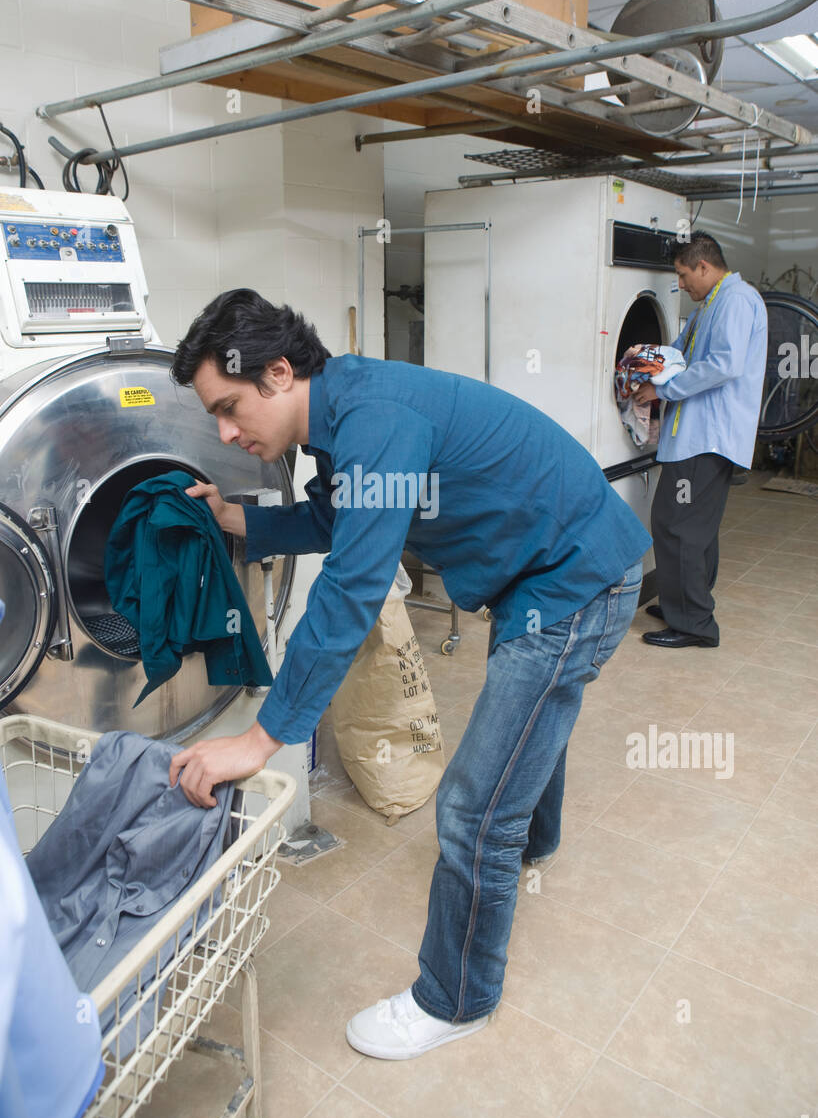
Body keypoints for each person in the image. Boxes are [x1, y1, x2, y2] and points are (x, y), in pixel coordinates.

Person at [167, 289, 651, 1061]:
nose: (226, 431)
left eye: (229, 408)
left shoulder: (375, 422)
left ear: (280, 373)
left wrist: (262, 738)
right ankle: (530, 842)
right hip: (543, 573)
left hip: (575, 579)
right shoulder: (345, 415)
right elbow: (336, 517)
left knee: (468, 807)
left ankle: (456, 999)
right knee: (525, 729)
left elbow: (352, 588)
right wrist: (243, 520)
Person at [633, 232, 768, 649]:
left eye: (684, 275)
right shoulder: (712, 303)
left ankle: (693, 623)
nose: (682, 284)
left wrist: (663, 391)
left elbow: (724, 364)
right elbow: (683, 354)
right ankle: (684, 602)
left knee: (677, 526)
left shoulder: (736, 300)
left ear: (705, 267)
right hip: (694, 436)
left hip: (706, 438)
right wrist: (645, 363)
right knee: (694, 528)